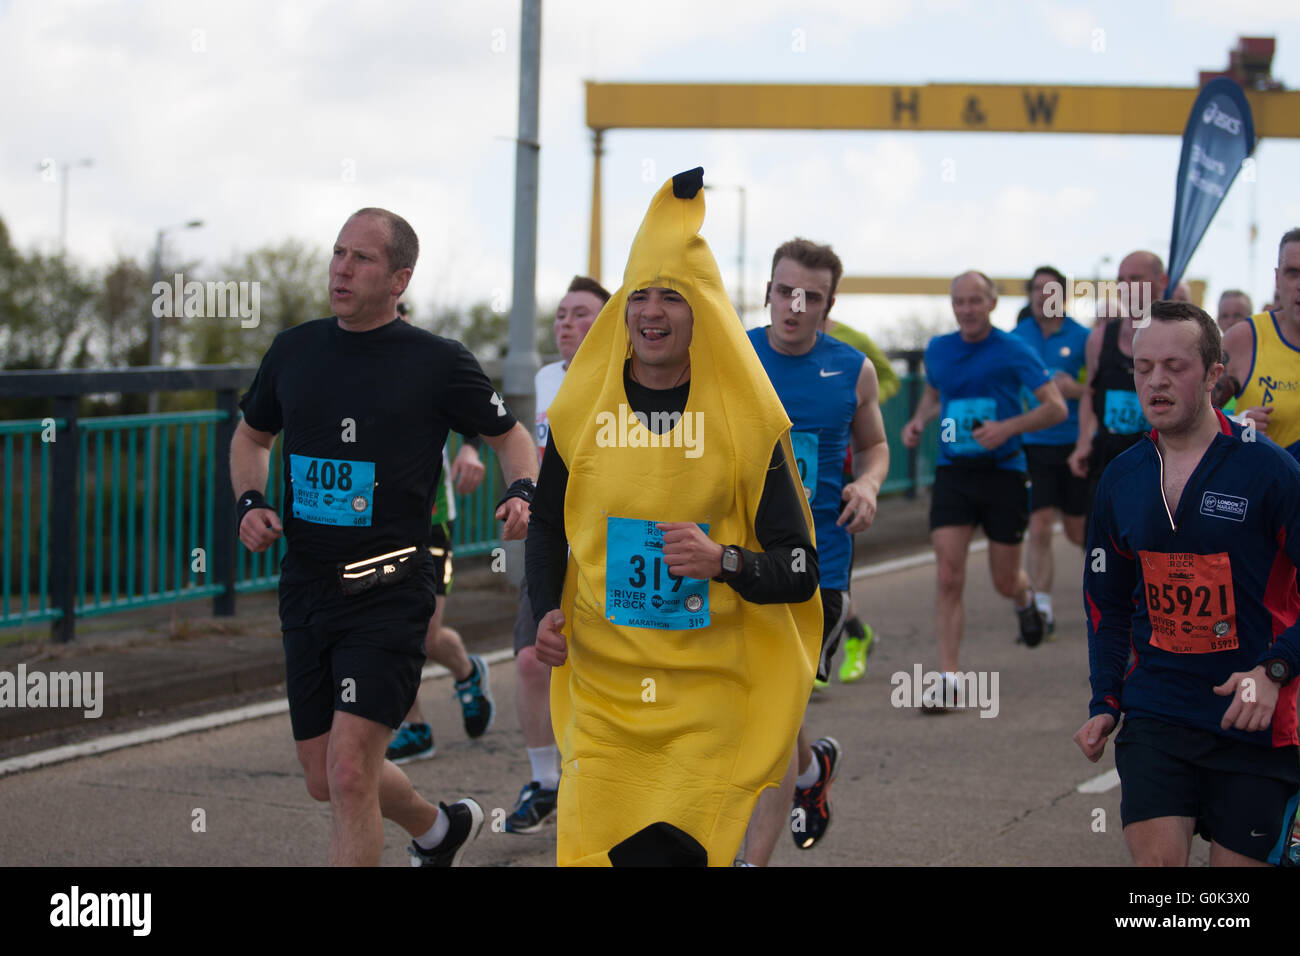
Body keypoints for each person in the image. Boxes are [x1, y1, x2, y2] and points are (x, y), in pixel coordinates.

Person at [526, 168, 821, 866]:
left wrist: (725, 561)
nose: (652, 312)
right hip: (604, 696)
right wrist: (544, 608)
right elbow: (546, 527)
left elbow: (801, 569)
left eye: (673, 298)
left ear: (704, 316)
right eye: (640, 296)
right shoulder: (580, 414)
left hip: (703, 703)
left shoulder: (747, 428)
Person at [231, 207, 538, 866]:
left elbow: (510, 436)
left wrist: (521, 491)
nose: (341, 268)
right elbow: (253, 436)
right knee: (326, 779)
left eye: (360, 259)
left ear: (399, 278)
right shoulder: (295, 349)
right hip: (307, 587)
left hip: (391, 591)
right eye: (338, 253)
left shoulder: (437, 362)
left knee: (348, 772)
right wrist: (249, 502)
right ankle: (437, 829)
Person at [1074, 299, 1300, 867]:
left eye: (1176, 366)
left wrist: (1274, 672)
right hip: (1159, 712)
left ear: (1215, 374)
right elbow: (1106, 604)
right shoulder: (1122, 478)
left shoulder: (1268, 470)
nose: (1157, 381)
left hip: (1253, 719)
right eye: (1144, 367)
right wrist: (1106, 697)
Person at [743, 237, 890, 861]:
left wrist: (868, 483)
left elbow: (877, 445)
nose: (794, 307)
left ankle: (750, 858)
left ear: (829, 304)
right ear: (769, 291)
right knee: (761, 705)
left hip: (818, 569)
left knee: (772, 725)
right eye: (784, 292)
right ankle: (813, 771)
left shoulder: (852, 369)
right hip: (739, 561)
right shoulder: (733, 355)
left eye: (811, 297)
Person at [901, 271, 1066, 705]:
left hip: (1004, 472)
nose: (967, 310)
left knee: (1003, 579)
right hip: (954, 472)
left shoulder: (1014, 350)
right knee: (948, 575)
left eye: (975, 301)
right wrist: (920, 420)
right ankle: (949, 678)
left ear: (991, 304)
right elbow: (936, 395)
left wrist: (1008, 427)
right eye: (960, 302)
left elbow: (1056, 407)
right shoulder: (939, 349)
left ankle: (1024, 596)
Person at [505, 275, 609, 833]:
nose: (566, 323)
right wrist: (523, 497)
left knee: (597, 670)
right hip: (553, 541)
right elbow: (517, 441)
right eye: (562, 314)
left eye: (582, 314)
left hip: (605, 547)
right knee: (529, 659)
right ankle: (545, 781)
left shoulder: (621, 379)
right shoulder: (547, 379)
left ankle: (599, 779)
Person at [386, 302, 494, 764]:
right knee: (390, 631)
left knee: (426, 635)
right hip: (376, 525)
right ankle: (415, 728)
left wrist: (470, 451)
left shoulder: (428, 367)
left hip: (432, 519)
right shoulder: (350, 371)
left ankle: (467, 672)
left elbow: (480, 418)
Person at [818, 311, 900, 682]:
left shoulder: (855, 341)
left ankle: (815, 661)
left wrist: (852, 404)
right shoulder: (762, 346)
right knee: (791, 569)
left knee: (821, 568)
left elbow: (890, 378)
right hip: (786, 472)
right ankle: (854, 633)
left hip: (843, 466)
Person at [1011, 265, 1090, 633]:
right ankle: (1042, 608)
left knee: (1079, 532)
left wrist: (1072, 389)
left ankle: (1109, 595)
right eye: (1038, 290)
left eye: (1051, 290)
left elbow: (1098, 388)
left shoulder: (1084, 338)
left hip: (1075, 444)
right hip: (1033, 444)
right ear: (1029, 297)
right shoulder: (1015, 339)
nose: (1044, 296)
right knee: (1039, 525)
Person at [1068, 251, 1169, 531]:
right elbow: (1090, 393)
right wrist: (1083, 442)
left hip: (1160, 463)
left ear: (1161, 281)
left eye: (1135, 279)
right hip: (1108, 461)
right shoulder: (1100, 337)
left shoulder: (1178, 336)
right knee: (1098, 552)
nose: (1125, 287)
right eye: (1120, 280)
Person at [1221, 229, 1300, 459]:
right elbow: (1189, 419)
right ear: (1277, 279)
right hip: (1265, 490)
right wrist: (1237, 424)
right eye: (1293, 273)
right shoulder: (1245, 339)